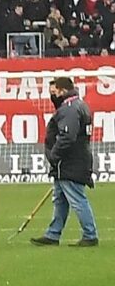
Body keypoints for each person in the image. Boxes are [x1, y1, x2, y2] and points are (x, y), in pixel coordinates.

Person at [35, 75, 98, 246]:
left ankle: (90, 234)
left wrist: (54, 155)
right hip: (72, 161)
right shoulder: (79, 105)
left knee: (77, 199)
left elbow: (67, 136)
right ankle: (53, 234)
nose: (52, 96)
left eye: (54, 92)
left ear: (62, 91)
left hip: (69, 162)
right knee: (60, 199)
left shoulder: (69, 109)